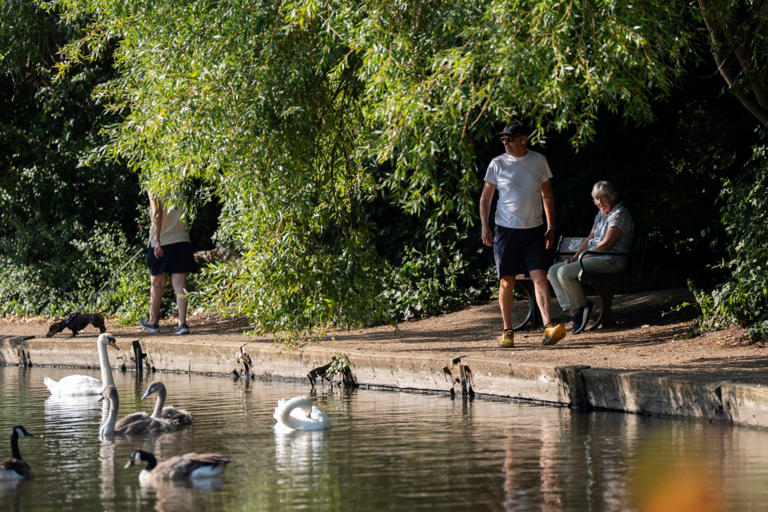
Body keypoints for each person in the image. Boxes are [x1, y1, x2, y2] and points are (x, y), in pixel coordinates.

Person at [479, 121, 565, 348]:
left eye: (510, 139)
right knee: (507, 280)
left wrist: (551, 224)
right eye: (503, 139)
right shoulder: (497, 164)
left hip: (534, 229)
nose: (505, 143)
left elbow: (547, 195)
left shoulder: (538, 161)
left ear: (523, 139)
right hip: (505, 230)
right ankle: (508, 331)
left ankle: (548, 327)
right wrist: (484, 226)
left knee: (540, 276)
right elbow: (486, 198)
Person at [547, 180, 634, 335]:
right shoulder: (601, 214)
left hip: (611, 260)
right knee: (554, 271)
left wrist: (583, 257)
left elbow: (606, 245)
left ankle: (582, 307)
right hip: (595, 258)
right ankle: (574, 309)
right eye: (597, 199)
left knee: (564, 272)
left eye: (604, 198)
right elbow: (589, 238)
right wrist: (575, 257)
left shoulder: (619, 214)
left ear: (612, 197)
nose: (600, 202)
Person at [140, 193, 197, 335]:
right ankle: (182, 323)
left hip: (162, 241)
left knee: (157, 283)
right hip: (181, 239)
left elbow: (157, 213)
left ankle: (152, 322)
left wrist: (157, 240)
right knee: (180, 285)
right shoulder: (180, 184)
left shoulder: (154, 186)